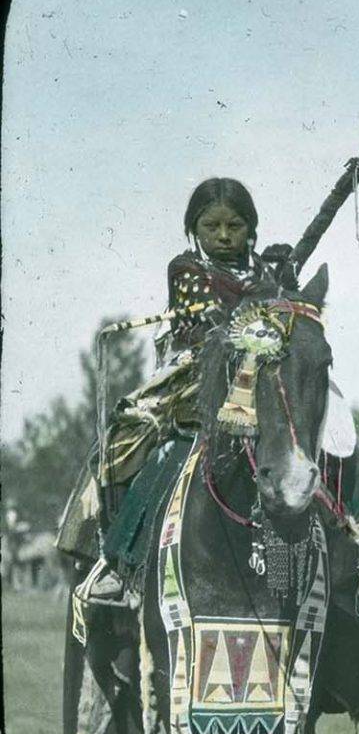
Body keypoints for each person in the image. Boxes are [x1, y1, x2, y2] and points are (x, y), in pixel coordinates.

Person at [57, 177, 289, 603]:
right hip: (197, 379)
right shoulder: (186, 268)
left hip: (270, 379)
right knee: (157, 448)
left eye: (234, 226)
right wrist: (270, 289)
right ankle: (120, 560)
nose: (223, 236)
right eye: (211, 226)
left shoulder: (266, 270)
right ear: (194, 229)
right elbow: (220, 319)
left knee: (328, 438)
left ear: (251, 229)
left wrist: (285, 282)